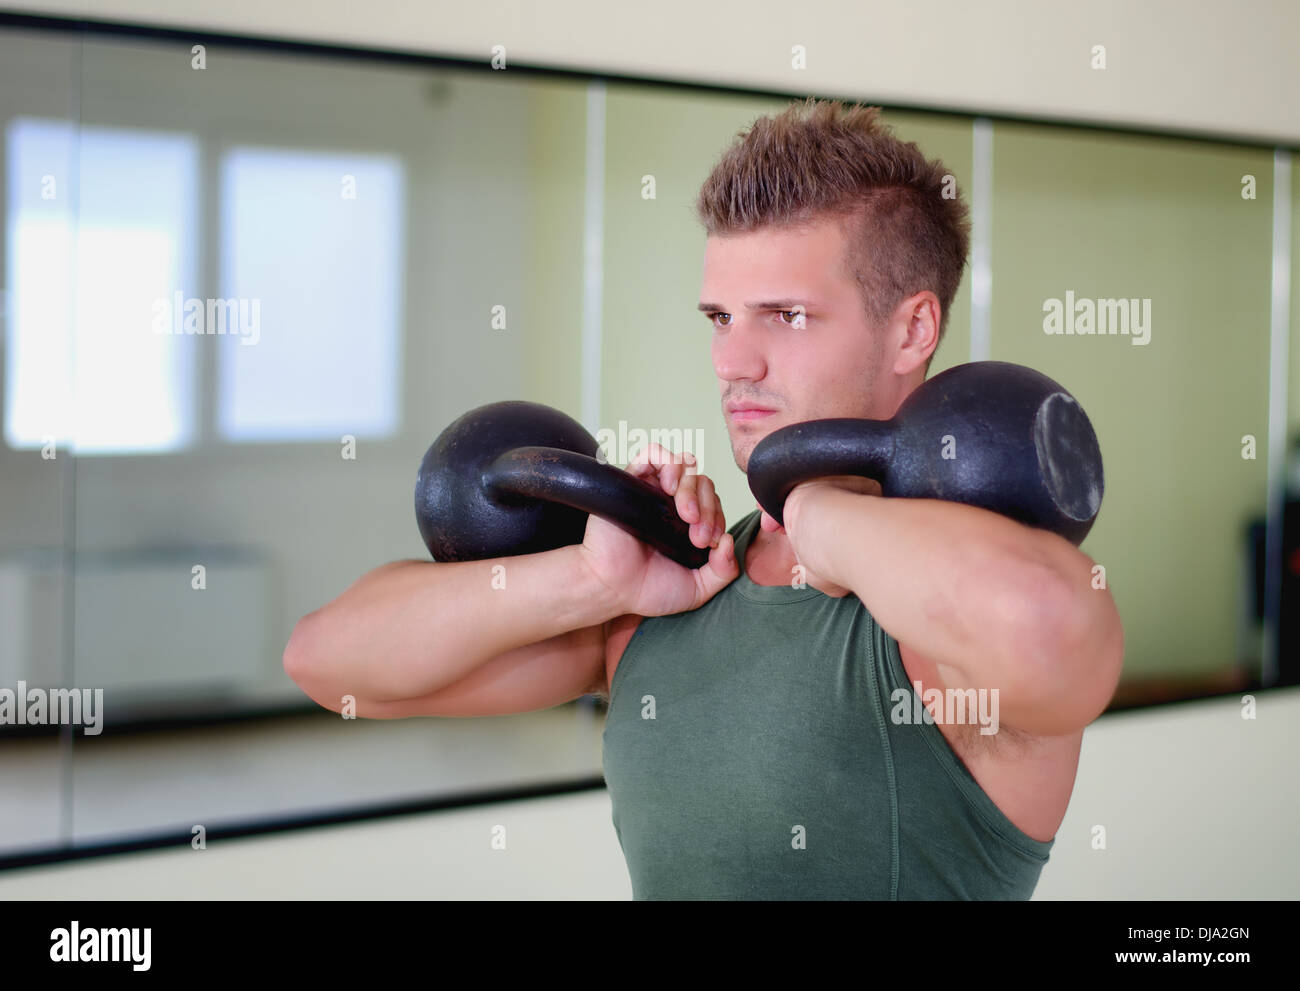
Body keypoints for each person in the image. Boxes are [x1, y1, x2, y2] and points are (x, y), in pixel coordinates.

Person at [284, 97, 1124, 899]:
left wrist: (820, 515)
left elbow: (1053, 627)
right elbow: (331, 663)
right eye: (720, 317)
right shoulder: (674, 594)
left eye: (785, 316)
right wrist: (592, 581)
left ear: (913, 329)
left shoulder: (949, 629)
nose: (732, 362)